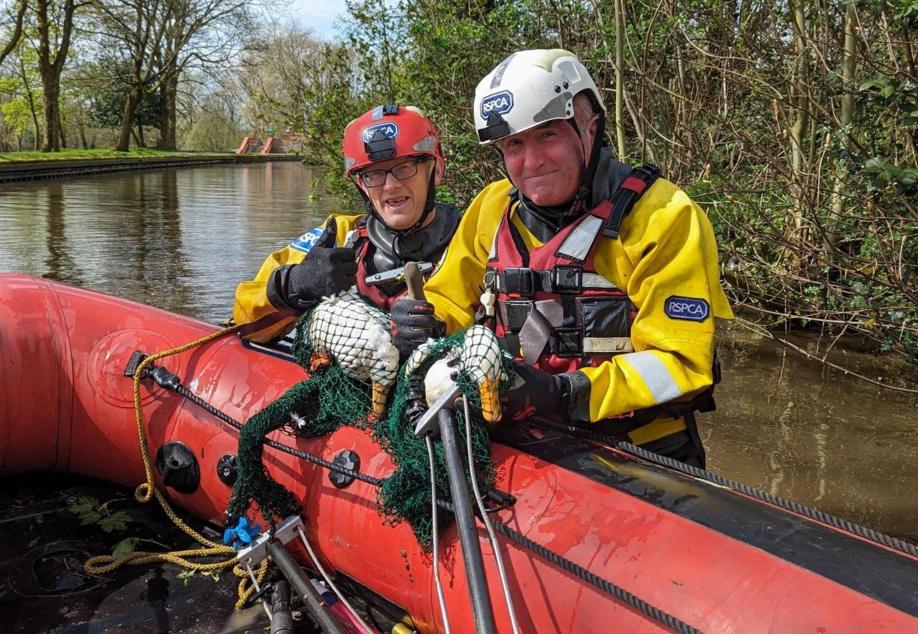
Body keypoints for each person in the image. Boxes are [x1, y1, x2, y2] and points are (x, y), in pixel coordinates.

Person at [403, 49, 733, 467]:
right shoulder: (492, 207)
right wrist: (424, 319)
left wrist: (566, 392)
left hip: (638, 448)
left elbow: (682, 364)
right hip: (524, 437)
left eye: (547, 135)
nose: (532, 161)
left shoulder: (664, 216)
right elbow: (450, 300)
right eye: (514, 144)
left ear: (589, 128)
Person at [233, 104, 459, 350]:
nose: (390, 185)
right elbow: (243, 321)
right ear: (361, 185)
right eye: (374, 174)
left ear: (436, 171)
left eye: (405, 167)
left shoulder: (470, 240)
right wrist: (295, 285)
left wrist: (438, 328)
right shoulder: (339, 235)